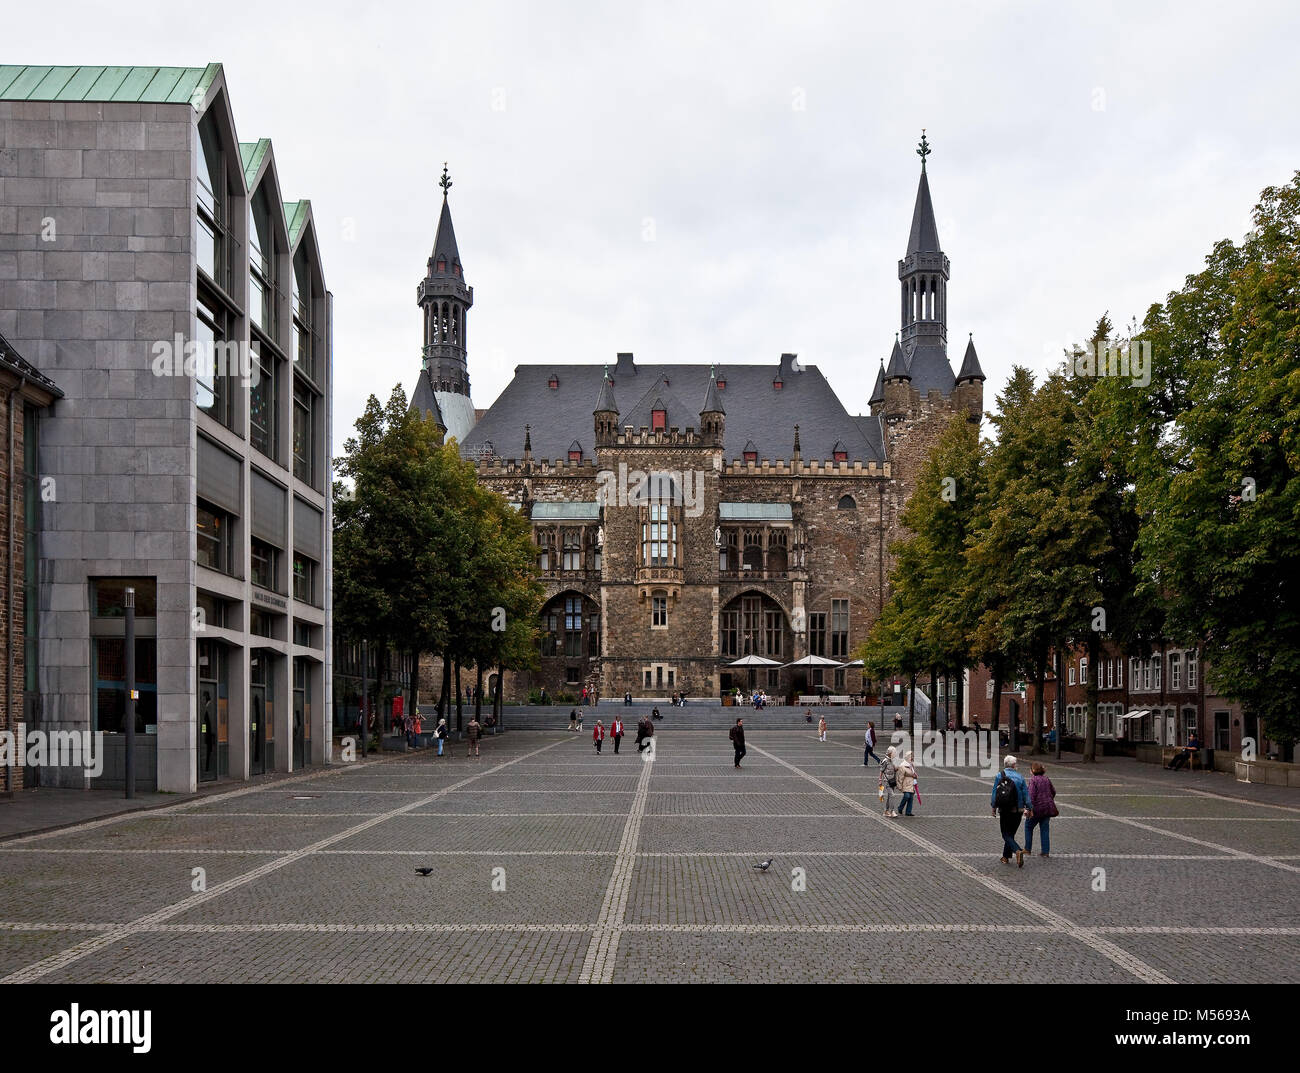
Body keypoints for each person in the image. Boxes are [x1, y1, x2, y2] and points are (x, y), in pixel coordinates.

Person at [990, 755, 1030, 866]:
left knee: (1005, 834)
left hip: (1005, 809)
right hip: (1018, 810)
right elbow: (1026, 794)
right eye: (1016, 763)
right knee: (1010, 834)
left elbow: (995, 793)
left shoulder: (1000, 775)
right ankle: (1005, 857)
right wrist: (1029, 808)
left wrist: (994, 807)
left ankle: (1017, 851)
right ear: (1013, 765)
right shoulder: (1020, 777)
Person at [1026, 761, 1057, 857]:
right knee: (1045, 829)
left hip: (1037, 809)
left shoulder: (1033, 780)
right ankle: (1045, 851)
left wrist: (1028, 809)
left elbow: (1031, 795)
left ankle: (1027, 849)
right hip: (1047, 808)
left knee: (1028, 826)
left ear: (1033, 770)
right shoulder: (1046, 779)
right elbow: (1053, 791)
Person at [895, 750, 917, 816]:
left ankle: (908, 812)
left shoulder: (912, 765)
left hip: (911, 783)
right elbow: (900, 776)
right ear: (908, 757)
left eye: (913, 756)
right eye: (911, 756)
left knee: (911, 797)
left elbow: (914, 773)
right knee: (907, 796)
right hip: (905, 783)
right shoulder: (903, 766)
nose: (913, 757)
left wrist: (915, 776)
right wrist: (899, 786)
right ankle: (900, 808)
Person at [879, 746, 899, 816]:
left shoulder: (894, 760)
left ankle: (886, 811)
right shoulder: (885, 761)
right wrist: (880, 780)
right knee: (892, 795)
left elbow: (895, 770)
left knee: (889, 796)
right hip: (887, 781)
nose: (895, 754)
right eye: (894, 753)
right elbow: (881, 771)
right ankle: (892, 811)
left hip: (893, 781)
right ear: (890, 753)